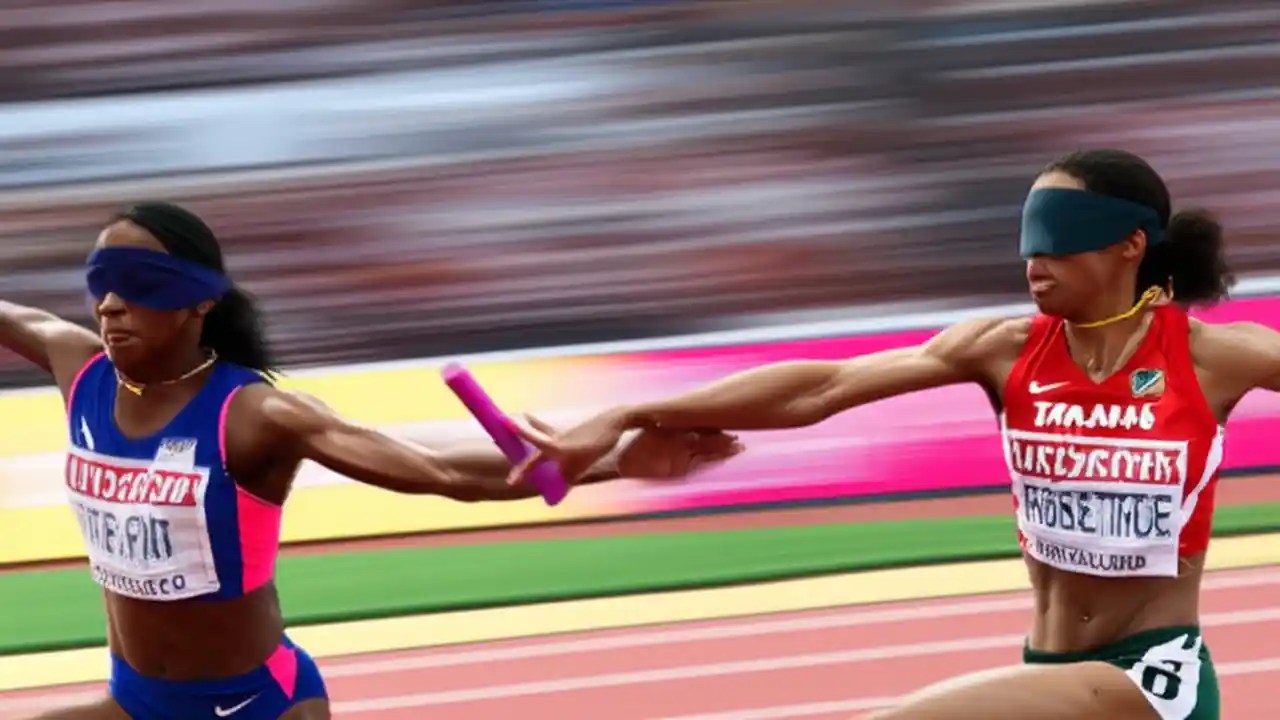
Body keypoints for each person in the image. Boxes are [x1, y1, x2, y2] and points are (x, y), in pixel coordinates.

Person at [506, 149, 1270, 720]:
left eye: (1061, 236)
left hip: (1149, 679)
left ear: (1131, 244)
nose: (1034, 259)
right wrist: (625, 416)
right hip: (1047, 664)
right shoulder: (1000, 348)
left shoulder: (1213, 357)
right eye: (1029, 237)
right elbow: (823, 386)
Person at [1, 201, 742, 720]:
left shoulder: (257, 416)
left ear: (199, 303)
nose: (109, 307)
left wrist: (613, 460)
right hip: (137, 703)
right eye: (101, 287)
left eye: (139, 287)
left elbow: (442, 472)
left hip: (254, 707)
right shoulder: (82, 371)